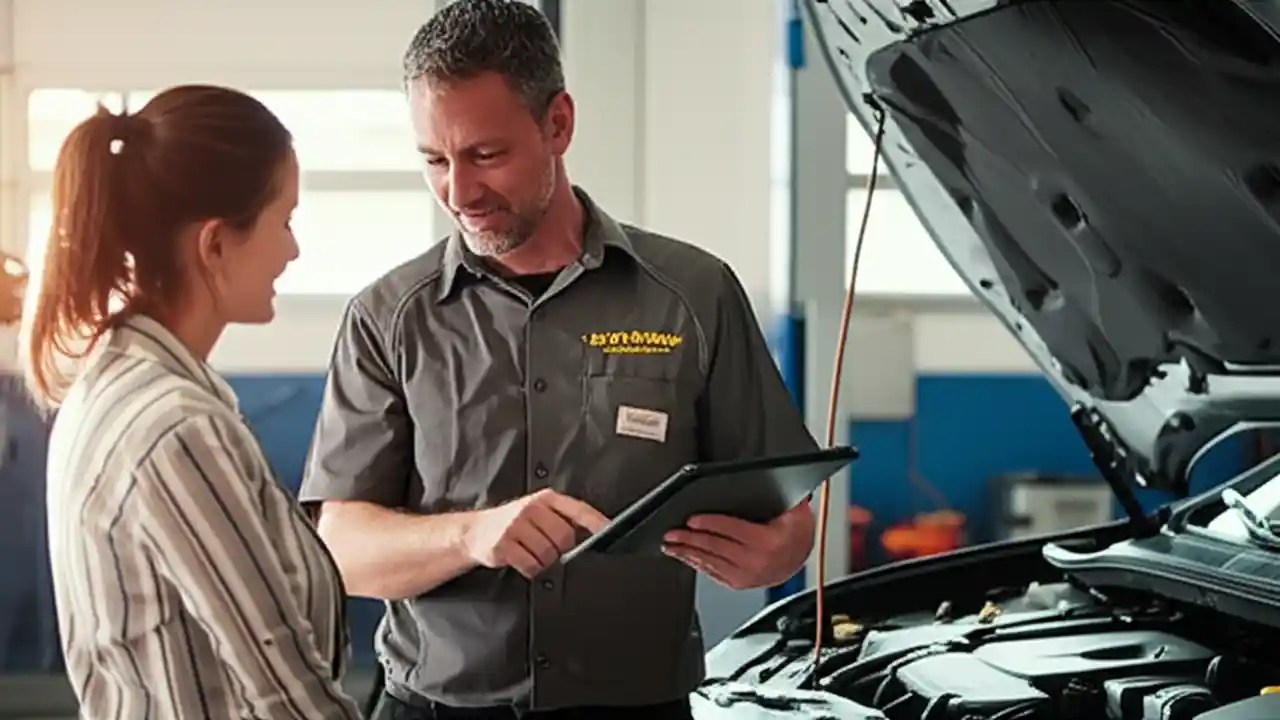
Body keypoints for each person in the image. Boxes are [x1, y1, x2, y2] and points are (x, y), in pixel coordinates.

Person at [299, 1, 820, 717]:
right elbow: (343, 550)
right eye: (434, 160)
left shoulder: (693, 295)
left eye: (486, 155)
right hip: (437, 707)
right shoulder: (390, 315)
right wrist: (470, 533)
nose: (459, 192)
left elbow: (790, 516)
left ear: (559, 124)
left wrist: (776, 554)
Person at [24, 85, 364, 719]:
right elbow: (290, 697)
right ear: (213, 244)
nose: (293, 250)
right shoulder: (176, 429)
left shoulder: (112, 380)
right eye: (283, 221)